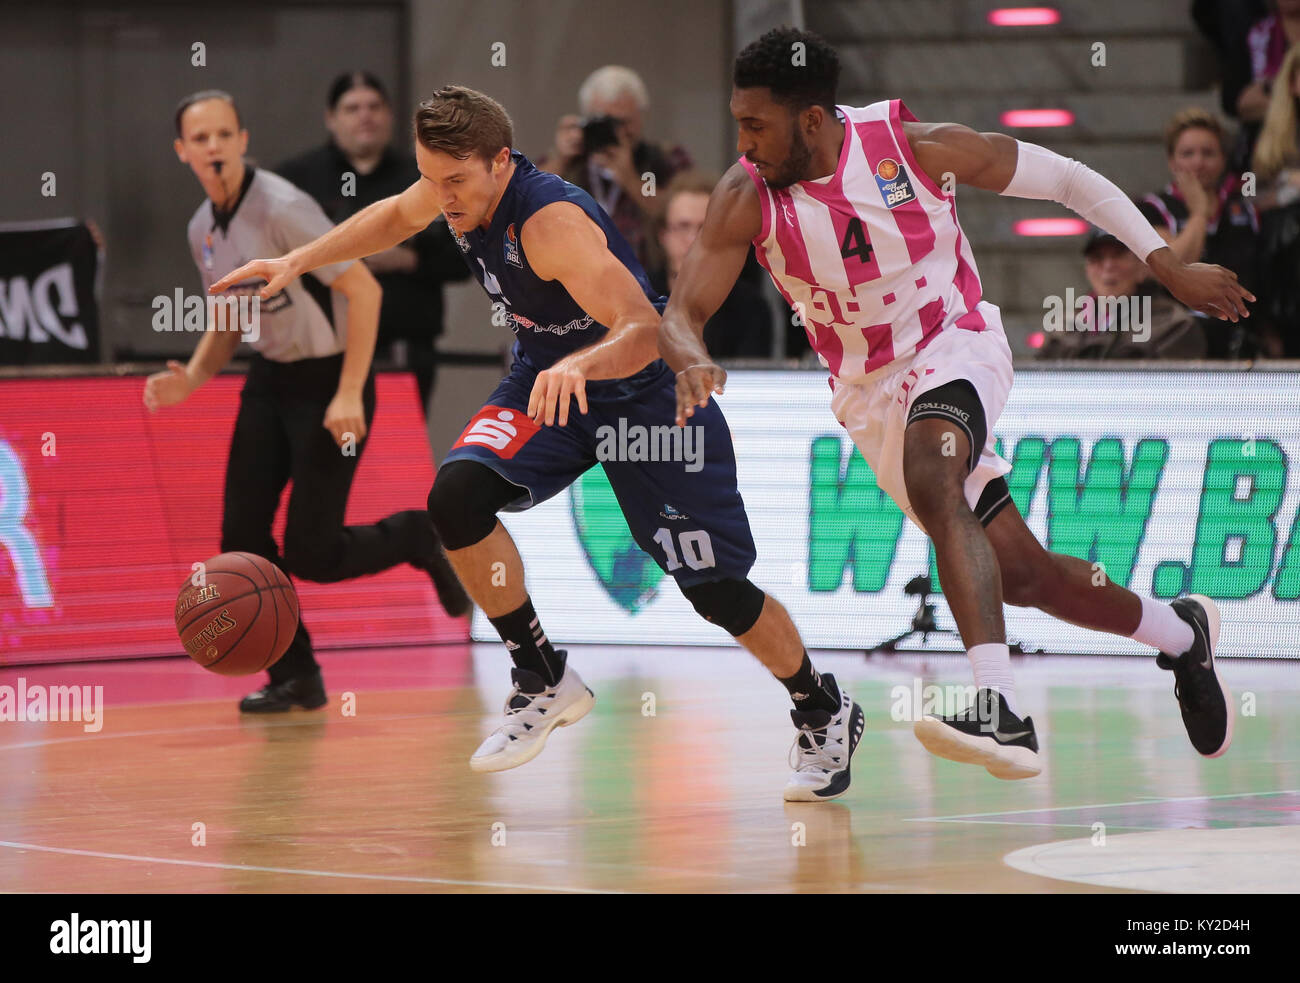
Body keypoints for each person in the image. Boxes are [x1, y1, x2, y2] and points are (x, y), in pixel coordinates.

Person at [210, 85, 864, 802]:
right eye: (433, 179)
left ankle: (822, 706)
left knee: (717, 593)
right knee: (455, 497)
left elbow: (644, 326)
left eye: (455, 181)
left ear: (499, 162)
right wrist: (297, 261)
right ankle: (541, 672)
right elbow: (394, 216)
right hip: (546, 381)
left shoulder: (548, 221)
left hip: (642, 394)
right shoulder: (449, 188)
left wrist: (582, 362)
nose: (443, 197)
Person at [659, 27, 1253, 779]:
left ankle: (999, 709)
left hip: (955, 341)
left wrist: (1166, 266)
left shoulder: (909, 146)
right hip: (868, 393)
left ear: (811, 119)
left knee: (935, 470)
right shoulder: (746, 196)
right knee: (1026, 576)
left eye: (755, 124)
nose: (742, 141)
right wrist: (692, 357)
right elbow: (680, 312)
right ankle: (1182, 634)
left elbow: (1068, 179)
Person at [144, 90, 469, 714]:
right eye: (200, 138)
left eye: (224, 134)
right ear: (183, 152)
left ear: (243, 141)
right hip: (271, 381)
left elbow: (364, 290)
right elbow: (230, 317)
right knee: (240, 538)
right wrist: (191, 375)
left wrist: (350, 392)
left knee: (310, 554)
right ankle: (297, 675)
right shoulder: (201, 230)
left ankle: (418, 536)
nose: (213, 146)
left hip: (331, 381)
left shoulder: (283, 207)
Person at [275, 71, 470, 417]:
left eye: (374, 107)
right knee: (323, 456)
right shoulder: (296, 179)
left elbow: (464, 259)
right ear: (331, 119)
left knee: (395, 456)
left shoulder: (426, 176)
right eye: (352, 108)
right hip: (321, 348)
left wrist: (407, 262)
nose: (365, 116)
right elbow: (275, 254)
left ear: (391, 116)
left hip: (405, 346)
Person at [1137, 108, 1267, 356]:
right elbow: (1173, 268)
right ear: (1172, 161)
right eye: (1187, 154)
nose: (1198, 162)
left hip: (1238, 345)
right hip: (1171, 341)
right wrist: (1199, 213)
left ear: (1223, 160)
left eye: (1208, 153)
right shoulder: (1152, 208)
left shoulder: (1244, 209)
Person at [538, 66, 692, 267]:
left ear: (641, 116)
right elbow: (526, 203)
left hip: (648, 281)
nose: (615, 131)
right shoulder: (567, 162)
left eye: (624, 122)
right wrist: (560, 159)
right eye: (605, 122)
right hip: (576, 281)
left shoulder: (665, 159)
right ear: (586, 120)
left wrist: (629, 177)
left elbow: (681, 220)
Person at [651, 170, 772, 358]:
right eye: (683, 226)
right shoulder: (640, 297)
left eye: (704, 228)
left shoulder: (750, 307)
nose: (692, 239)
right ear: (663, 235)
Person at [1036, 229, 1207, 359]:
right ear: (1087, 269)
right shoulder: (1065, 325)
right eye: (1097, 257)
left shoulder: (1173, 323)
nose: (1108, 266)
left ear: (1142, 265)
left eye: (1118, 255)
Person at [1251, 43, 1300, 347]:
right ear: (1292, 82)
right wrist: (1290, 190)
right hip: (1284, 264)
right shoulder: (1272, 141)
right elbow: (1250, 201)